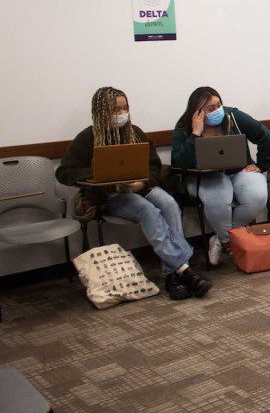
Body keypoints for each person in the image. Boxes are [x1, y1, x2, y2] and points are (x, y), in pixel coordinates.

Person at [56, 87, 212, 300]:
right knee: (146, 210)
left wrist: (141, 182)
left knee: (168, 204)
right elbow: (64, 172)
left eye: (125, 108)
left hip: (141, 188)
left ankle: (173, 273)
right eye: (116, 109)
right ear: (101, 111)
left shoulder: (135, 133)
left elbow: (154, 166)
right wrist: (102, 171)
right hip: (112, 196)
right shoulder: (87, 138)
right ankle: (183, 270)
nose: (122, 113)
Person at [171, 87, 270, 266]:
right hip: (205, 178)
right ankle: (229, 242)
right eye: (211, 108)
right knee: (219, 196)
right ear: (198, 111)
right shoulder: (184, 126)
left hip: (238, 172)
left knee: (258, 195)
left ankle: (219, 239)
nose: (218, 110)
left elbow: (263, 134)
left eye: (219, 105)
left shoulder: (232, 116)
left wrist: (261, 165)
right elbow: (178, 163)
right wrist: (195, 134)